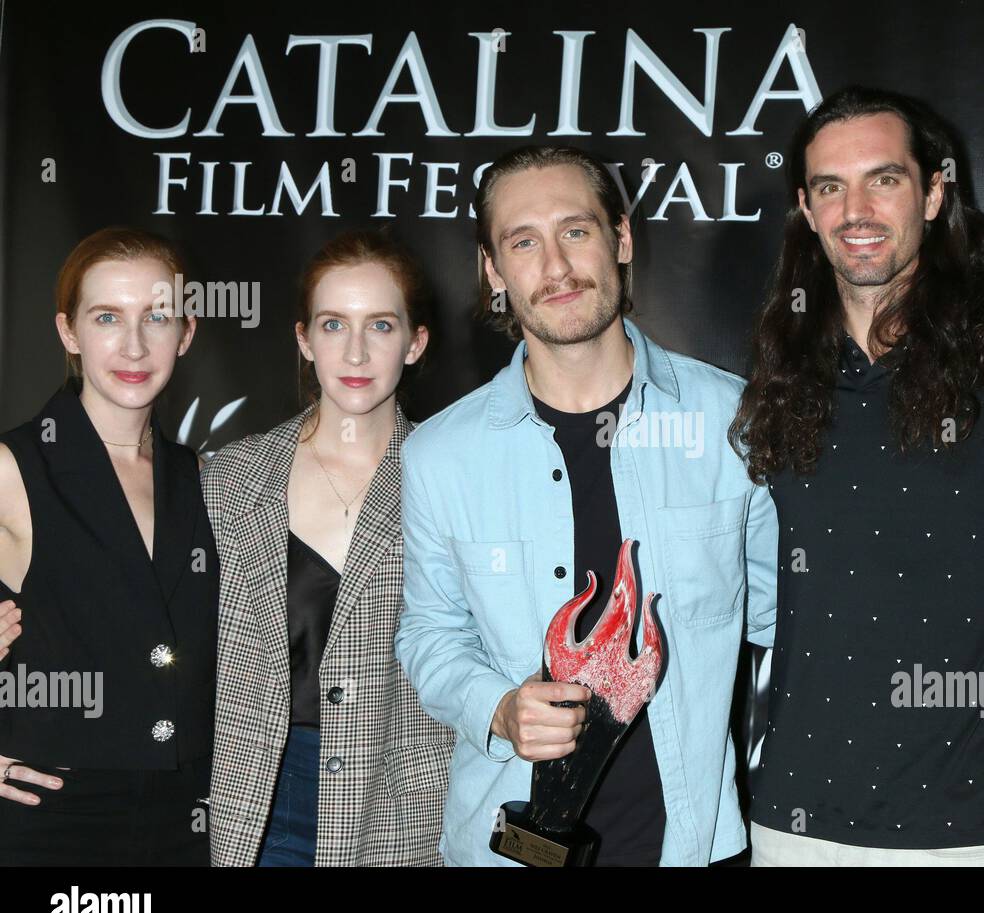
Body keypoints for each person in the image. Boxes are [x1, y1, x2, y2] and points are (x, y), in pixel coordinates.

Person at [730, 87, 984, 865]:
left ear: (935, 192)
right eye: (830, 188)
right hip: (789, 818)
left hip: (964, 828)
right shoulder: (785, 365)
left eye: (885, 179)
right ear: (806, 209)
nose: (856, 210)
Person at [395, 145, 779, 866]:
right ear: (493, 270)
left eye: (576, 230)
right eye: (523, 242)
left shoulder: (733, 421)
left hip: (690, 848)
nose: (556, 266)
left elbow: (786, 617)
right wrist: (498, 707)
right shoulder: (440, 455)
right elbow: (430, 636)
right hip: (506, 854)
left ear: (621, 238)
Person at [201, 230, 455, 866]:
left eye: (382, 325)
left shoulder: (453, 481)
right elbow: (147, 637)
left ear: (416, 343)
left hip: (400, 812)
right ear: (303, 338)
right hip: (248, 806)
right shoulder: (226, 480)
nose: (357, 351)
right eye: (334, 324)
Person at [0, 227, 216, 865]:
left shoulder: (199, 476)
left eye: (156, 316)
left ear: (186, 331)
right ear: (69, 333)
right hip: (49, 820)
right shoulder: (15, 466)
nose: (133, 344)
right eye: (106, 317)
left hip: (188, 818)